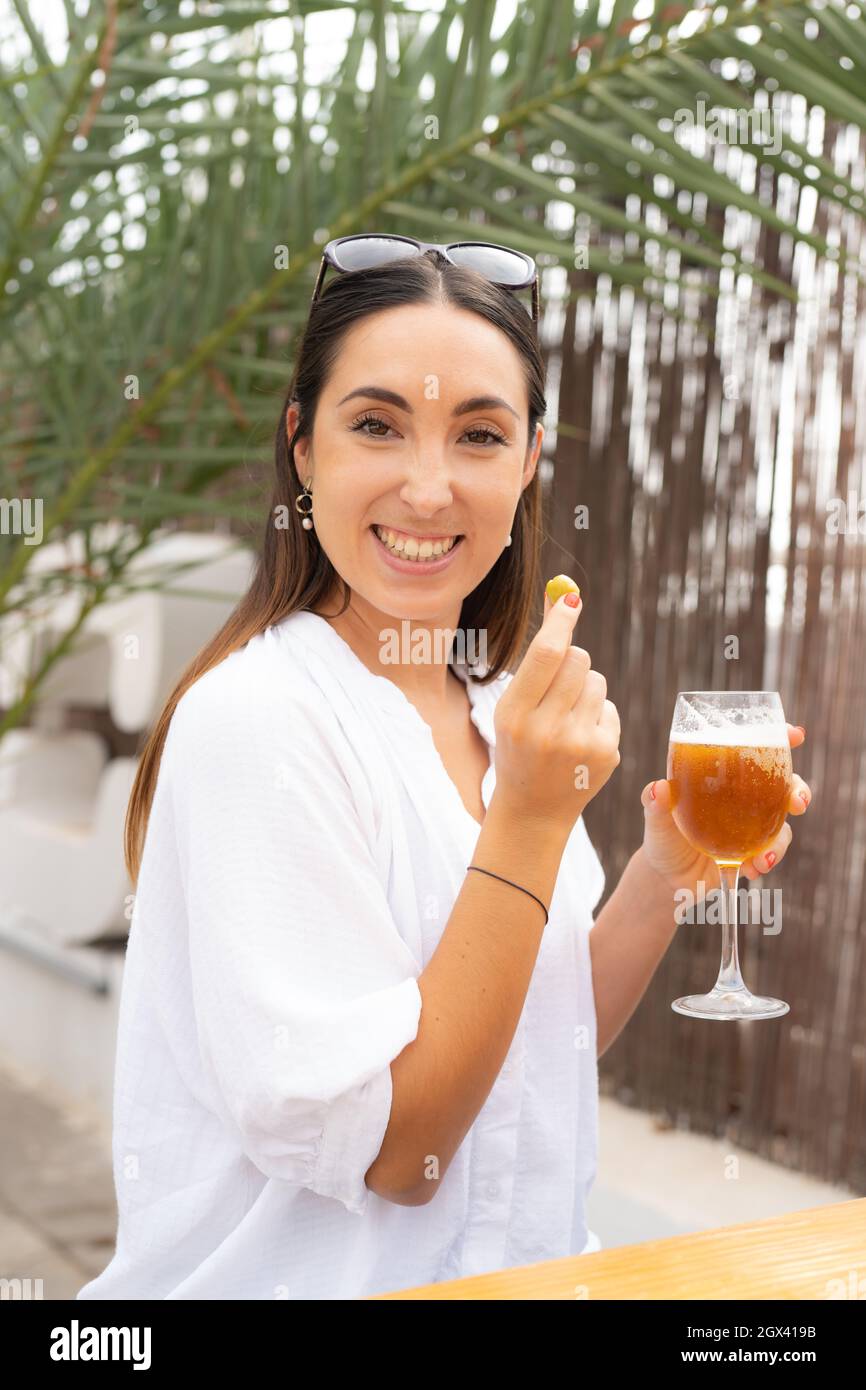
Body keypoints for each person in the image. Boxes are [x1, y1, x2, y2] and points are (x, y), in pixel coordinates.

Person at [77, 235, 811, 1300]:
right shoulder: (257, 721)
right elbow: (396, 1147)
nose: (427, 488)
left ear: (526, 464)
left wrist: (661, 872)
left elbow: (536, 1040)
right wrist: (525, 816)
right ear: (302, 447)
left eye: (478, 435)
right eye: (375, 424)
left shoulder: (491, 704)